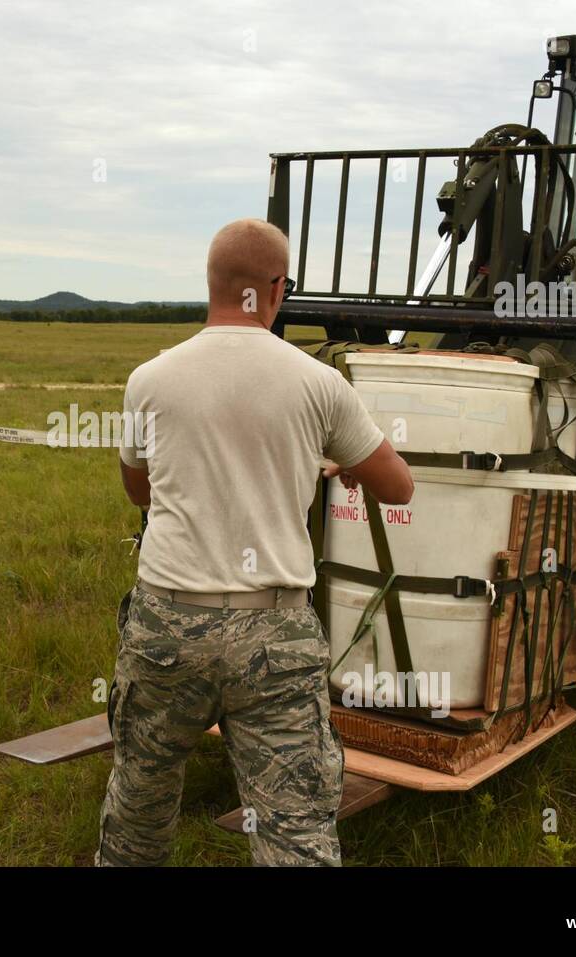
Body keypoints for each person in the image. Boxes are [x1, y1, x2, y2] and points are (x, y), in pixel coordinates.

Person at [97, 219, 413, 866]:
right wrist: (334, 458)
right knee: (295, 829)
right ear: (275, 289)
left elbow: (140, 491)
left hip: (166, 623)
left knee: (138, 808)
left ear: (211, 284)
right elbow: (398, 486)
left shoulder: (149, 380)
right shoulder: (319, 384)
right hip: (273, 632)